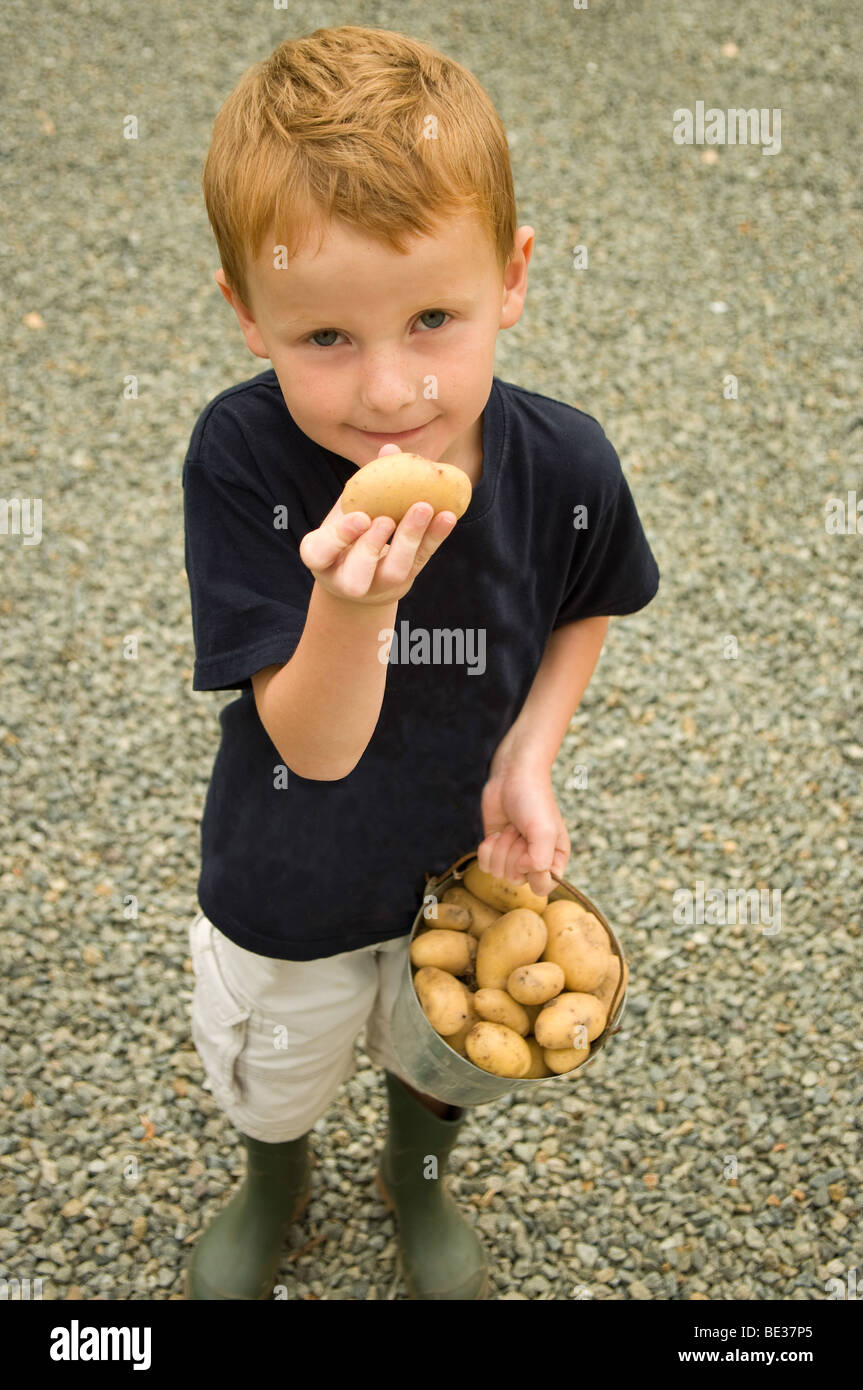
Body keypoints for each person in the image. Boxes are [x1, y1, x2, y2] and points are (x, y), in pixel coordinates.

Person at [181, 23, 660, 1301]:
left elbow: (587, 602)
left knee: (446, 1041)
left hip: (468, 858)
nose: (391, 389)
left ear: (511, 277)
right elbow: (313, 745)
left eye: (433, 317)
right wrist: (351, 605)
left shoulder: (564, 463)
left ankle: (415, 1174)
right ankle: (273, 1178)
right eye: (324, 338)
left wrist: (529, 752)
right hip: (289, 872)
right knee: (277, 1062)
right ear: (246, 313)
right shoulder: (243, 464)